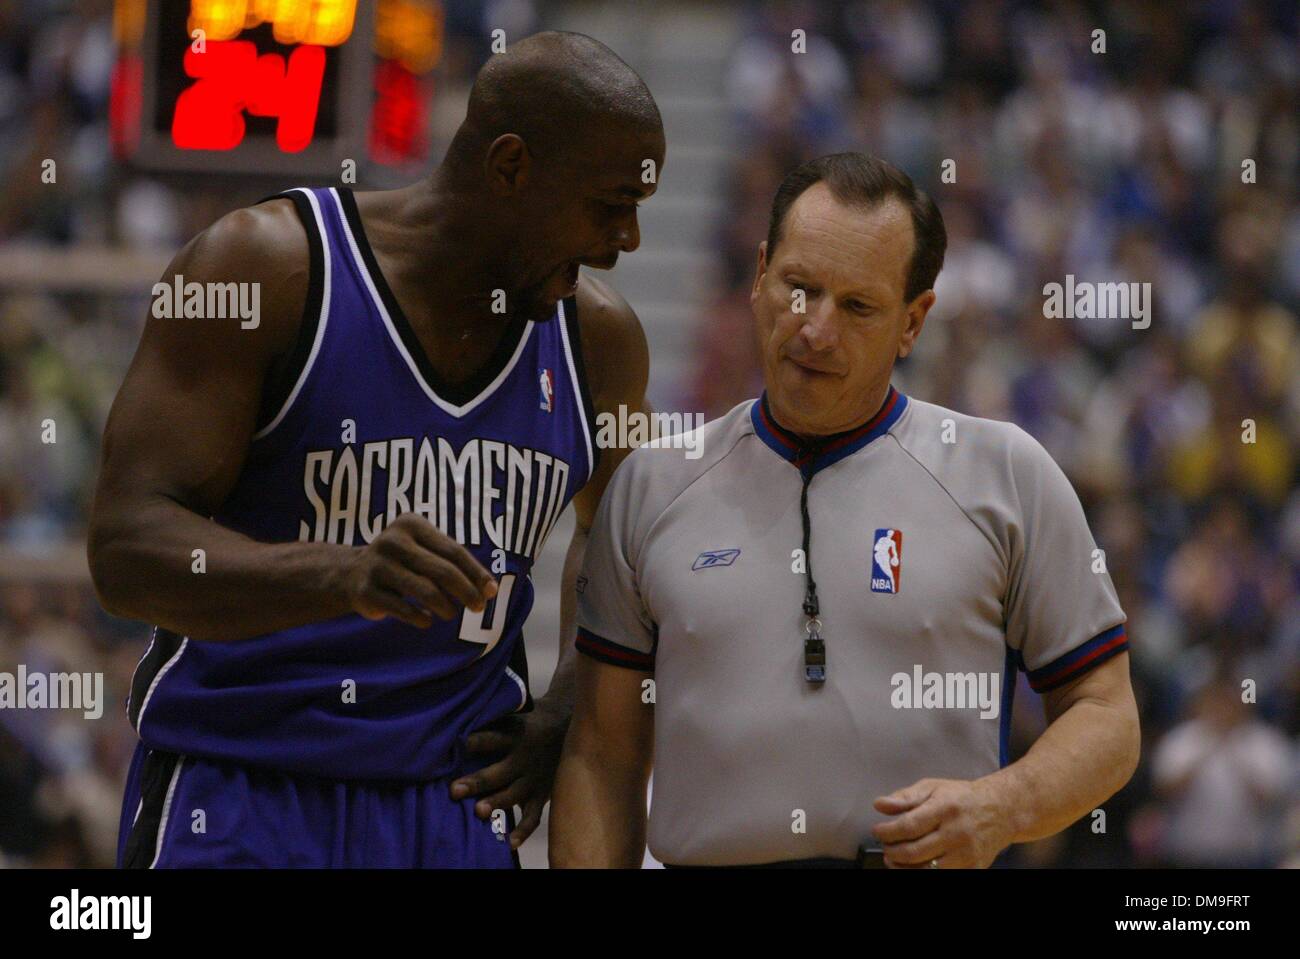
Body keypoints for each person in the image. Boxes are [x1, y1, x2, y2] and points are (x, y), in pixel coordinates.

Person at [87, 31, 664, 868]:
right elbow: (123, 546)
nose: (629, 239)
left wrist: (566, 702)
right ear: (510, 167)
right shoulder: (265, 268)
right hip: (243, 786)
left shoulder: (601, 340)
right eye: (610, 204)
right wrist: (339, 575)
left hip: (451, 801)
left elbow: (619, 545)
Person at [549, 152, 1140, 868]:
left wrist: (1001, 806)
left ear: (913, 321)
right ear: (761, 273)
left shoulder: (1006, 473)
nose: (817, 330)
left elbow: (1107, 714)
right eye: (801, 289)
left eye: (858, 307)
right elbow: (602, 755)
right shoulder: (650, 487)